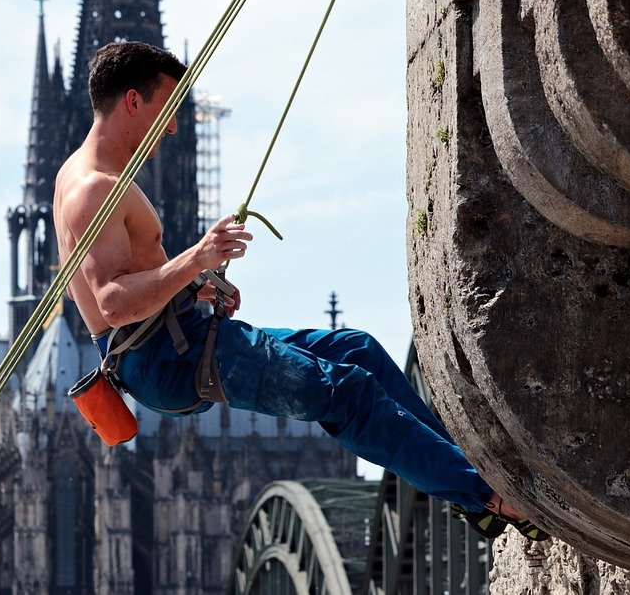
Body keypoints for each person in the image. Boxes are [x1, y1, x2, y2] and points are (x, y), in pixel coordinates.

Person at [53, 40, 546, 541]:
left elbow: (111, 288)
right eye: (169, 108)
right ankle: (486, 495)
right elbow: (112, 302)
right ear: (134, 101)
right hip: (169, 360)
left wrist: (194, 285)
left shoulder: (82, 176)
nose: (176, 126)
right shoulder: (94, 188)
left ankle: (464, 478)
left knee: (357, 350)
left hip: (178, 340)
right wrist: (196, 258)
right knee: (346, 393)